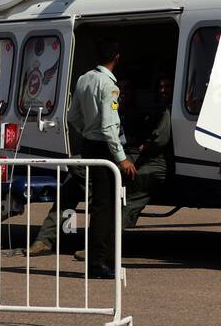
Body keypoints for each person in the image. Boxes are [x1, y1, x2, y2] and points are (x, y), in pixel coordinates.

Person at [27, 40, 135, 277]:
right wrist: (123, 158)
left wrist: (88, 130)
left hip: (89, 145)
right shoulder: (110, 86)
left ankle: (99, 259)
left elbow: (72, 116)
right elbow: (109, 127)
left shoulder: (84, 79)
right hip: (106, 148)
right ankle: (98, 263)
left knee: (99, 204)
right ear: (116, 57)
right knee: (105, 208)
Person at [124, 76, 174, 227]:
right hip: (152, 157)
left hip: (162, 161)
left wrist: (145, 146)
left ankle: (105, 245)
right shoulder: (158, 109)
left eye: (167, 87)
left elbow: (160, 139)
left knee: (133, 194)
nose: (162, 90)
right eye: (160, 87)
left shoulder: (168, 110)